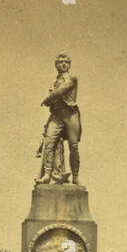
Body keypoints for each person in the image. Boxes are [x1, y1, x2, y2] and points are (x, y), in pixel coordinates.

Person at [35, 53, 82, 184]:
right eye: (60, 62)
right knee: (49, 143)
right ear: (56, 65)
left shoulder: (72, 78)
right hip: (56, 115)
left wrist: (47, 99)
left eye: (66, 62)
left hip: (70, 114)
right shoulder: (54, 81)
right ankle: (47, 174)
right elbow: (54, 93)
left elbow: (60, 91)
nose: (63, 64)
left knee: (73, 147)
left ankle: (76, 177)